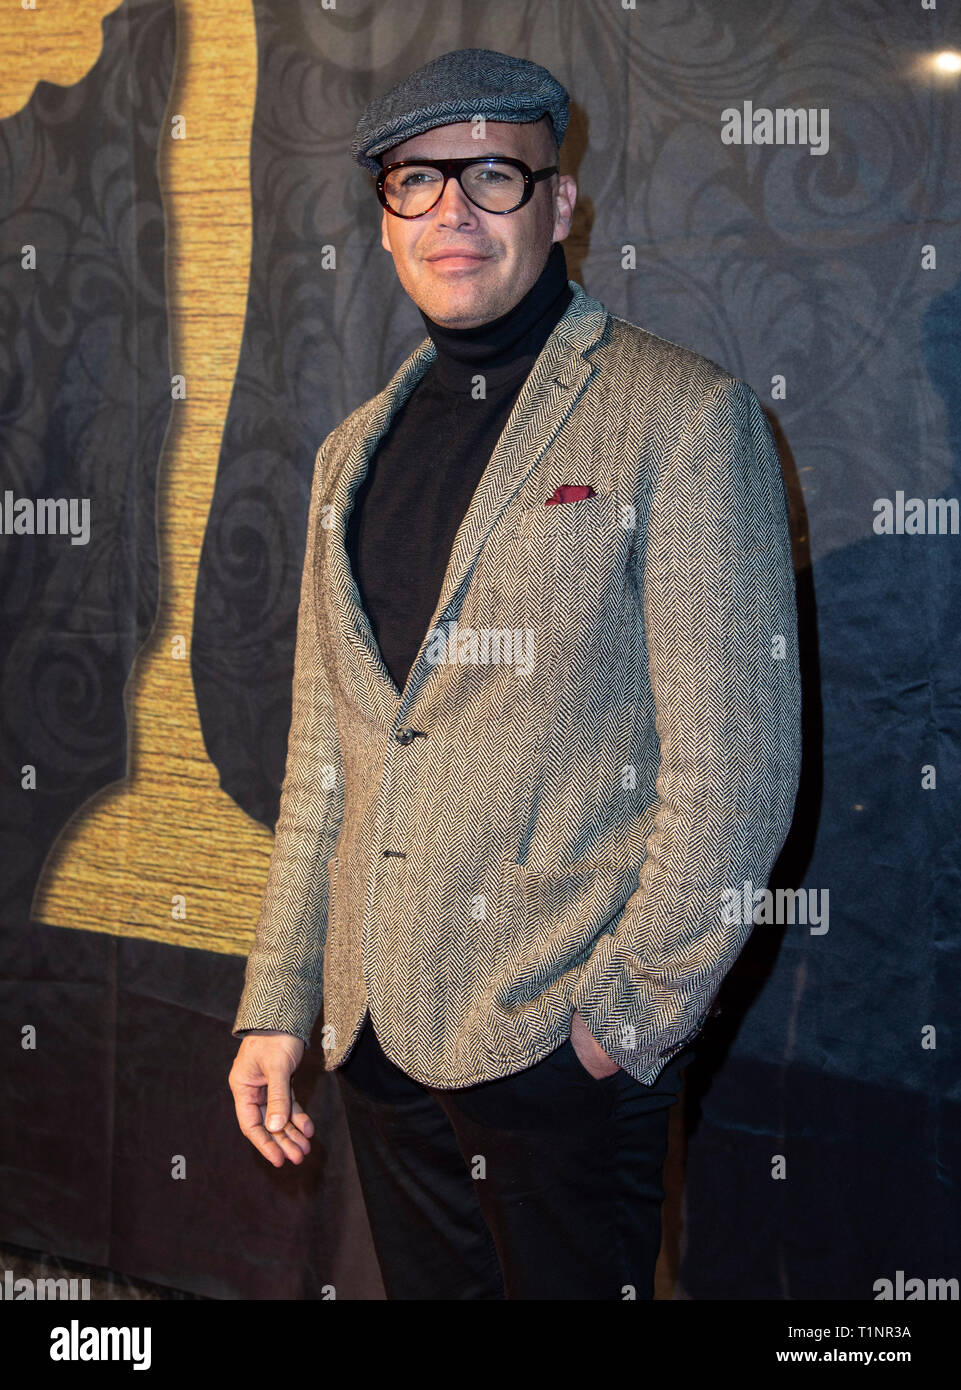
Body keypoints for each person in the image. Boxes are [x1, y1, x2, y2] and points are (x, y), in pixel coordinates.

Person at [228, 47, 802, 1300]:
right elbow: (325, 759)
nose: (451, 213)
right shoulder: (347, 454)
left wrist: (616, 1027)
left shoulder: (680, 418)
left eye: (490, 175)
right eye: (415, 182)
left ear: (558, 202)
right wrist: (279, 997)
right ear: (382, 222)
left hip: (559, 1047)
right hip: (378, 1034)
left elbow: (736, 771)